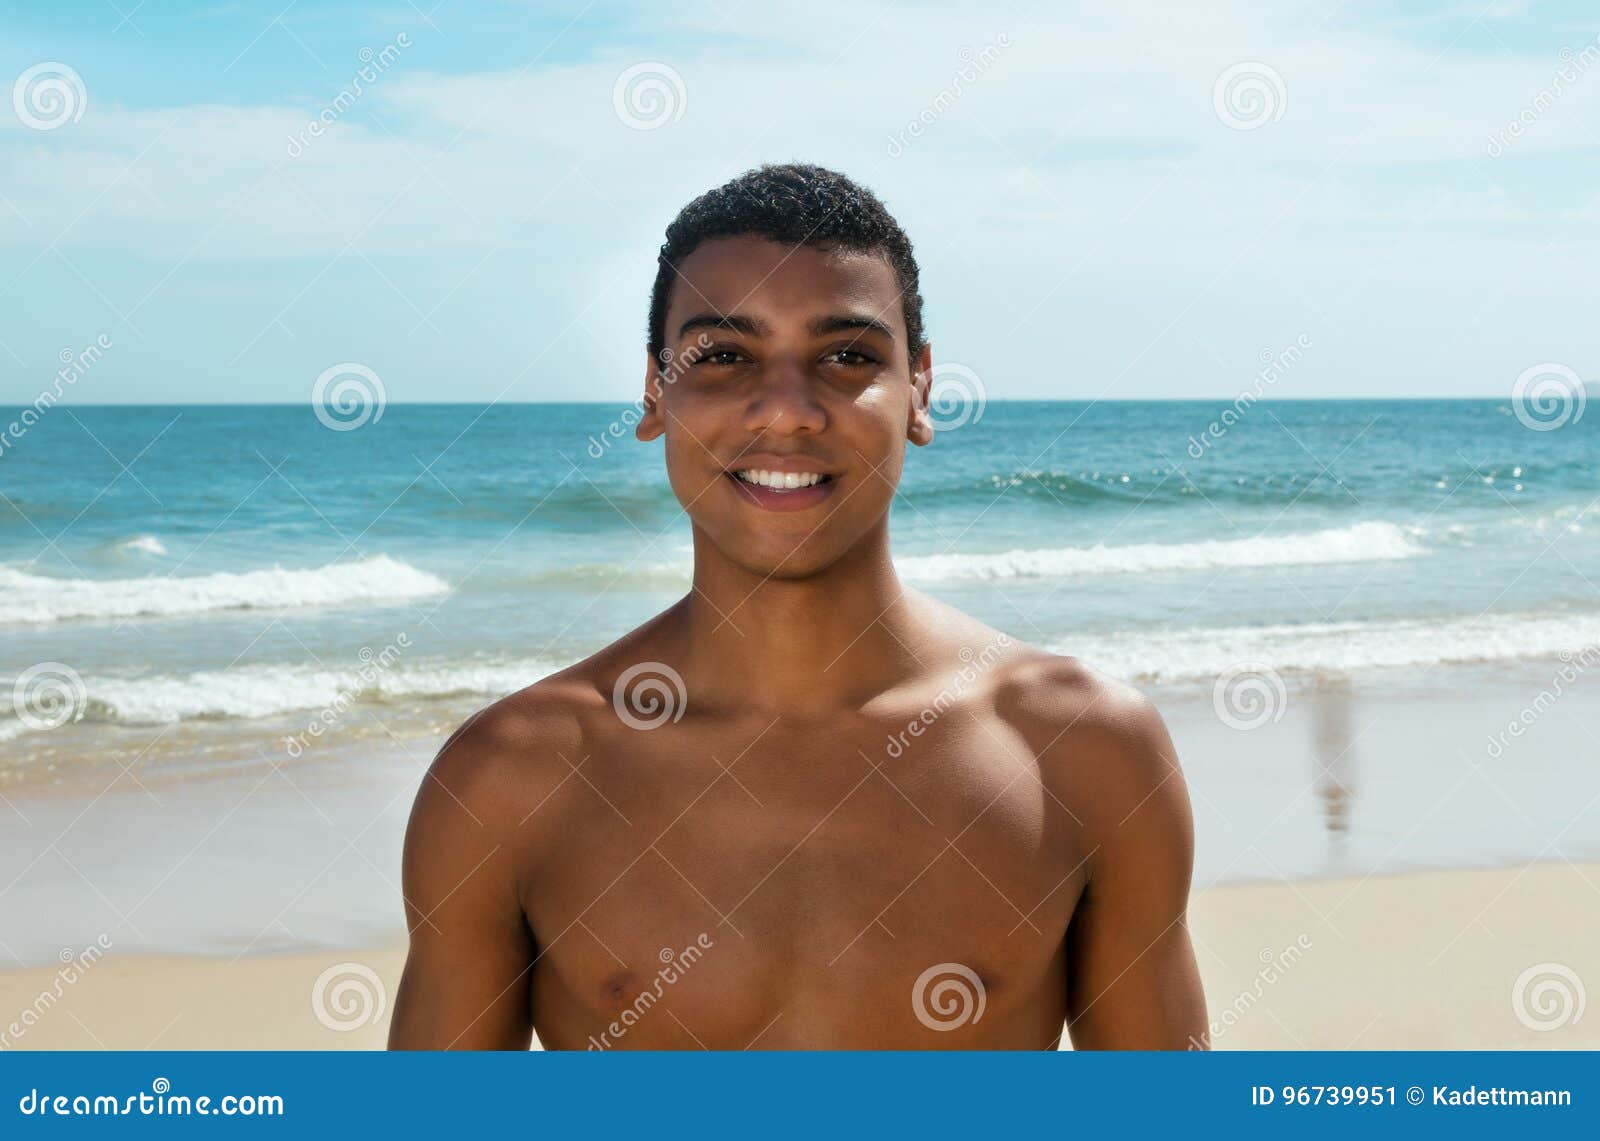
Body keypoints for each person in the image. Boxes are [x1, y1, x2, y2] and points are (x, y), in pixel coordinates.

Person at [388, 163, 1207, 1050]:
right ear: (656, 392)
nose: (786, 413)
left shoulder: (1082, 751)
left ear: (920, 390)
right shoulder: (512, 779)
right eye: (722, 355)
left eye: (847, 355)